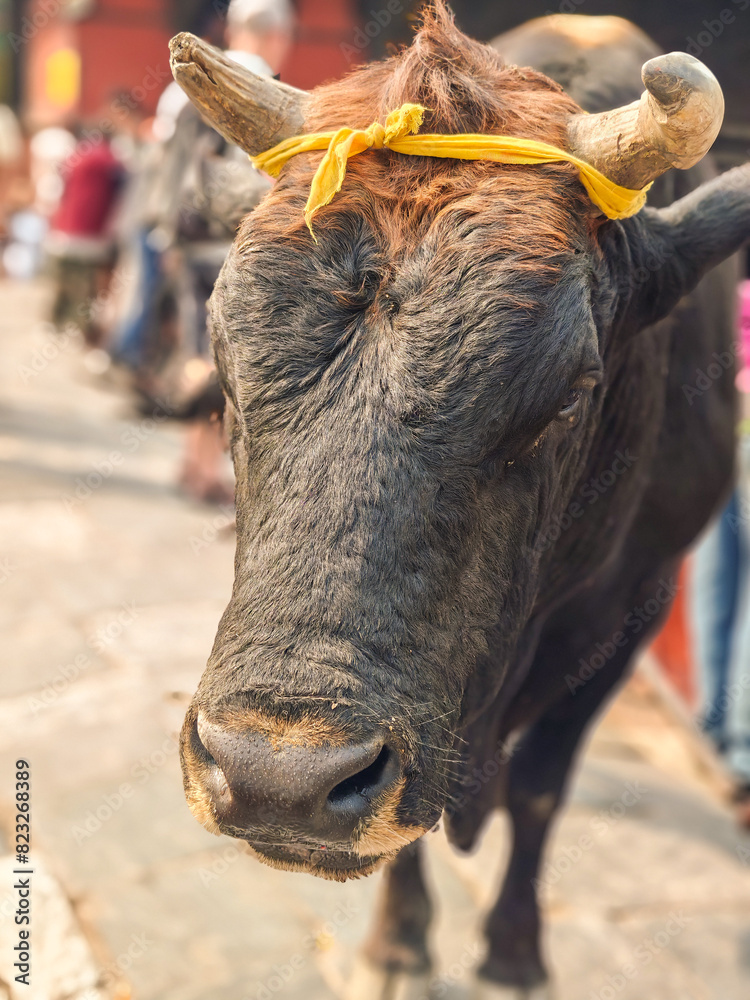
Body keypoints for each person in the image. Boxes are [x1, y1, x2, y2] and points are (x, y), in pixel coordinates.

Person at [139, 0, 294, 502]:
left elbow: (163, 165)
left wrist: (165, 234)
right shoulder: (264, 86)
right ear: (272, 36)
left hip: (184, 239)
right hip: (231, 240)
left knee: (195, 351)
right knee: (227, 364)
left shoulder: (180, 85)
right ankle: (211, 474)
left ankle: (193, 464)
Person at [691, 278, 750, 827]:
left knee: (716, 577)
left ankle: (712, 721)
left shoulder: (733, 288)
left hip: (724, 426)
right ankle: (742, 751)